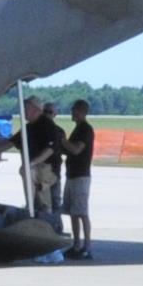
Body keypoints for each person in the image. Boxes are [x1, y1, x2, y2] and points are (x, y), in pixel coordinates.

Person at [59, 99, 97, 259]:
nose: (72, 113)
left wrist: (63, 141)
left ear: (82, 112)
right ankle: (76, 245)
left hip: (81, 176)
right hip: (72, 175)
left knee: (82, 212)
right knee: (73, 212)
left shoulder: (85, 130)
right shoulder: (77, 129)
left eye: (74, 110)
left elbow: (76, 149)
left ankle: (87, 246)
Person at [22, 96, 63, 219]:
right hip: (39, 172)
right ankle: (33, 209)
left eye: (49, 112)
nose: (47, 114)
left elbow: (50, 150)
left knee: (52, 205)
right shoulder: (29, 127)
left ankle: (53, 228)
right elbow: (11, 142)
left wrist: (31, 163)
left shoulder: (53, 128)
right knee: (38, 201)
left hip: (50, 172)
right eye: (46, 111)